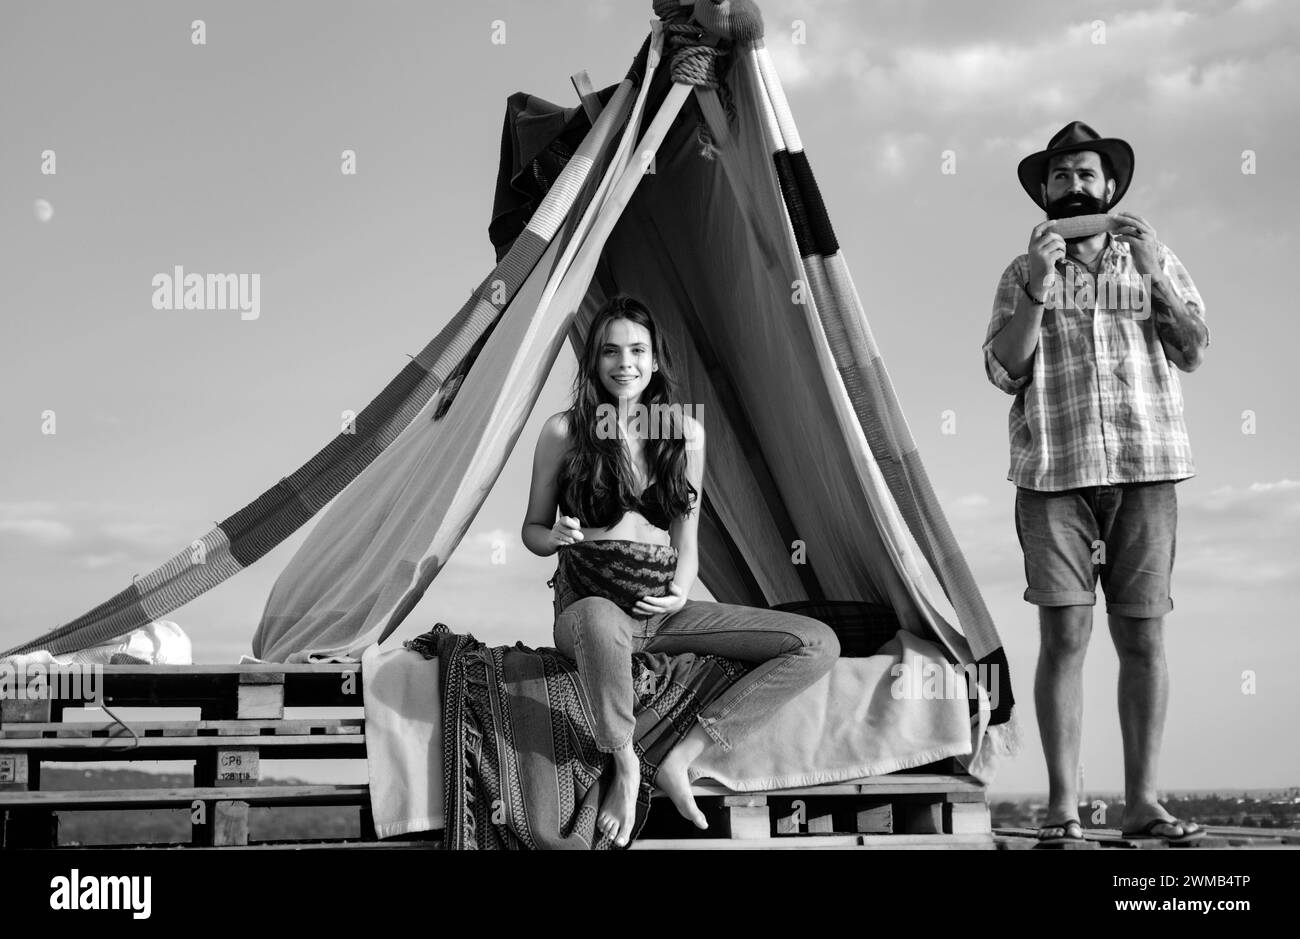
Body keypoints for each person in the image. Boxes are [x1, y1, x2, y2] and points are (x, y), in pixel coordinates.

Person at [521, 294, 840, 847]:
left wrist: (681, 590)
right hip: (587, 614)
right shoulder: (563, 431)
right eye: (610, 352)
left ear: (655, 359)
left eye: (638, 350)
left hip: (664, 613)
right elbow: (531, 529)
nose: (625, 363)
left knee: (816, 643)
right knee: (598, 618)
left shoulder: (685, 433)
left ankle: (685, 757)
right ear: (594, 362)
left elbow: (685, 539)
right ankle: (625, 765)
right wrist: (555, 538)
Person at [983, 122, 1210, 847]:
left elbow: (1194, 348)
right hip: (1054, 476)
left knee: (1143, 635)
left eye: (1086, 174)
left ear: (1109, 187)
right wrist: (1038, 291)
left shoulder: (1154, 255)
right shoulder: (1021, 271)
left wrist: (1154, 275)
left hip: (1146, 470)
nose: (1074, 185)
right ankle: (1062, 809)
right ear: (1045, 194)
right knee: (1065, 635)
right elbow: (1003, 370)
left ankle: (1144, 801)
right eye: (1060, 177)